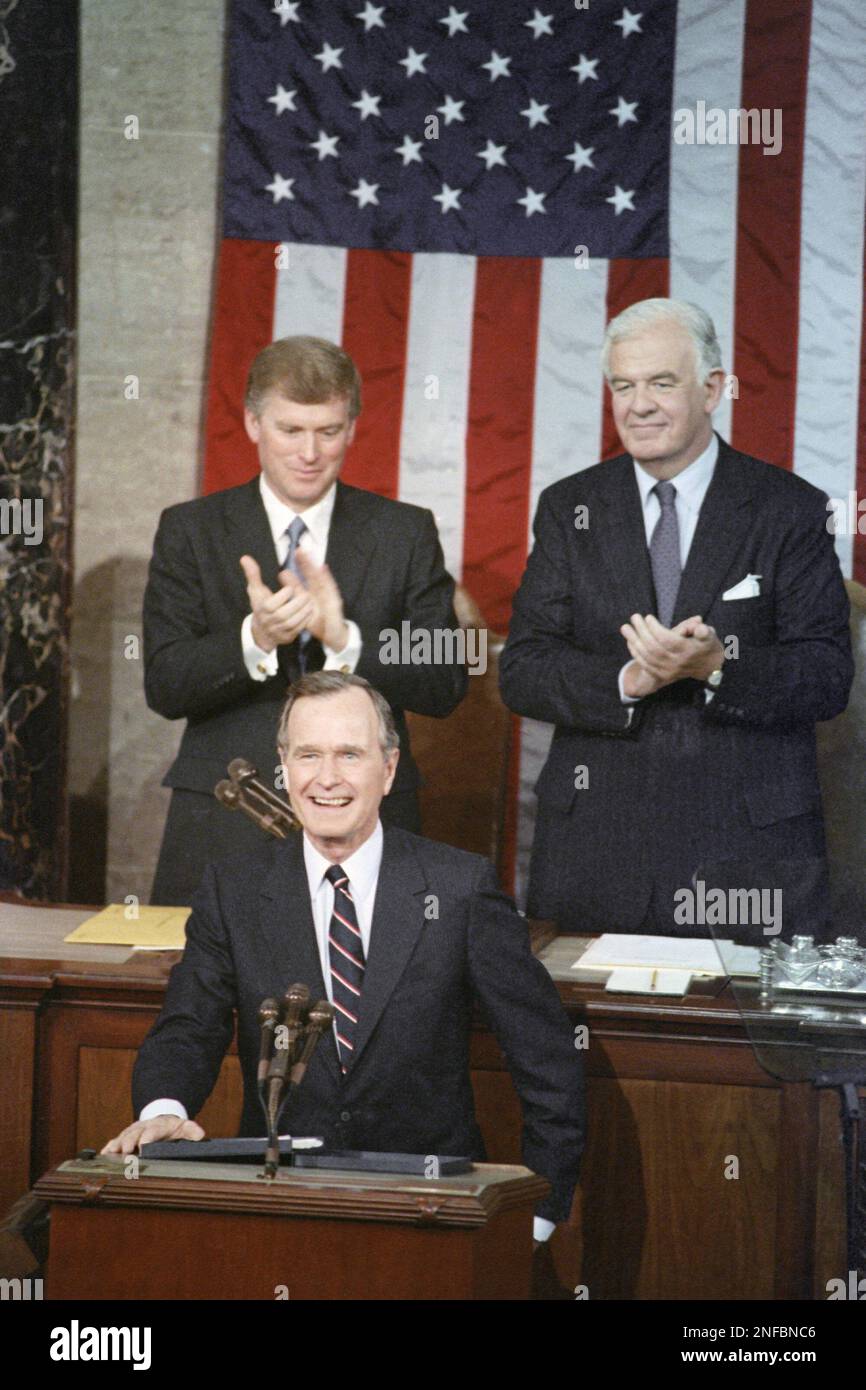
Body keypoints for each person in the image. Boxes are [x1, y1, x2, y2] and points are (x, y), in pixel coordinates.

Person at [103, 673, 584, 1243]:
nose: (326, 779)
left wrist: (541, 1213)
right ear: (283, 764)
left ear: (388, 769)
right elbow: (188, 1027)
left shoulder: (460, 888)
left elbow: (548, 1057)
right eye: (308, 755)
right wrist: (163, 1108)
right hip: (278, 1205)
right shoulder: (232, 890)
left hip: (431, 1213)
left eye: (349, 755)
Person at [499, 298, 853, 938]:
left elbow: (826, 676)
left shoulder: (788, 509)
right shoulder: (570, 508)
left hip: (747, 858)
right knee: (585, 1036)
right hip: (596, 854)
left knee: (729, 1042)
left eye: (662, 383)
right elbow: (523, 669)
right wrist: (626, 682)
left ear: (713, 388)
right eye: (623, 385)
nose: (639, 405)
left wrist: (720, 667)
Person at [144, 336, 467, 906]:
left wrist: (347, 642)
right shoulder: (190, 529)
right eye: (290, 430)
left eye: (327, 431)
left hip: (370, 824)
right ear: (252, 423)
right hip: (224, 816)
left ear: (352, 429)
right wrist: (255, 638)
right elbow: (165, 683)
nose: (309, 453)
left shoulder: (403, 531)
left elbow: (444, 681)